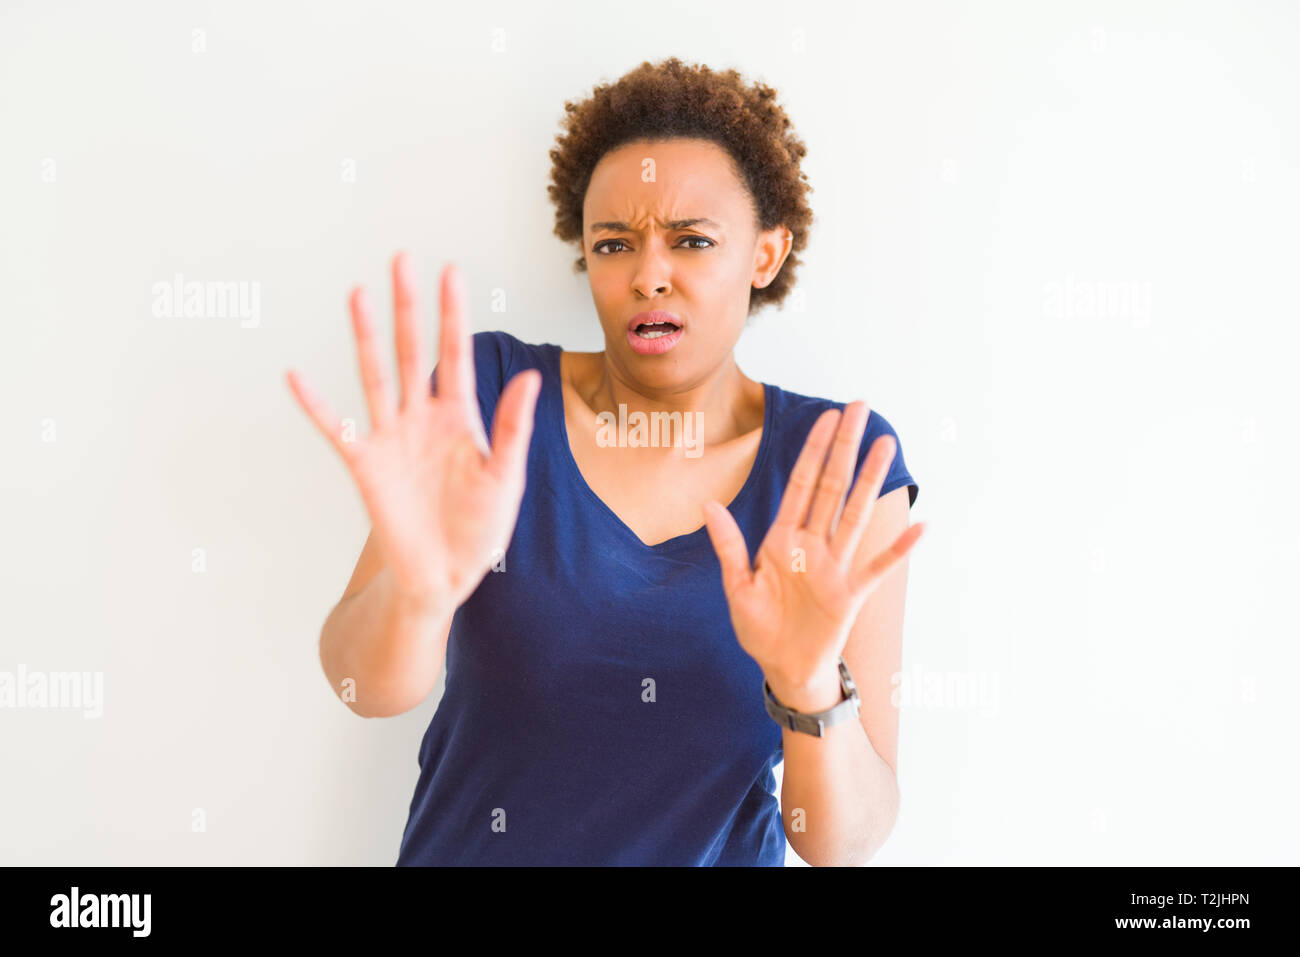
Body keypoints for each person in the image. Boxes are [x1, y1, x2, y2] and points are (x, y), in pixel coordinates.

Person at [286, 57, 923, 866]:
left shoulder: (838, 465)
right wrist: (416, 595)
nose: (648, 275)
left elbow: (843, 841)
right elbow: (366, 687)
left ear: (766, 254)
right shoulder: (493, 398)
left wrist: (808, 686)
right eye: (614, 244)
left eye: (692, 241)